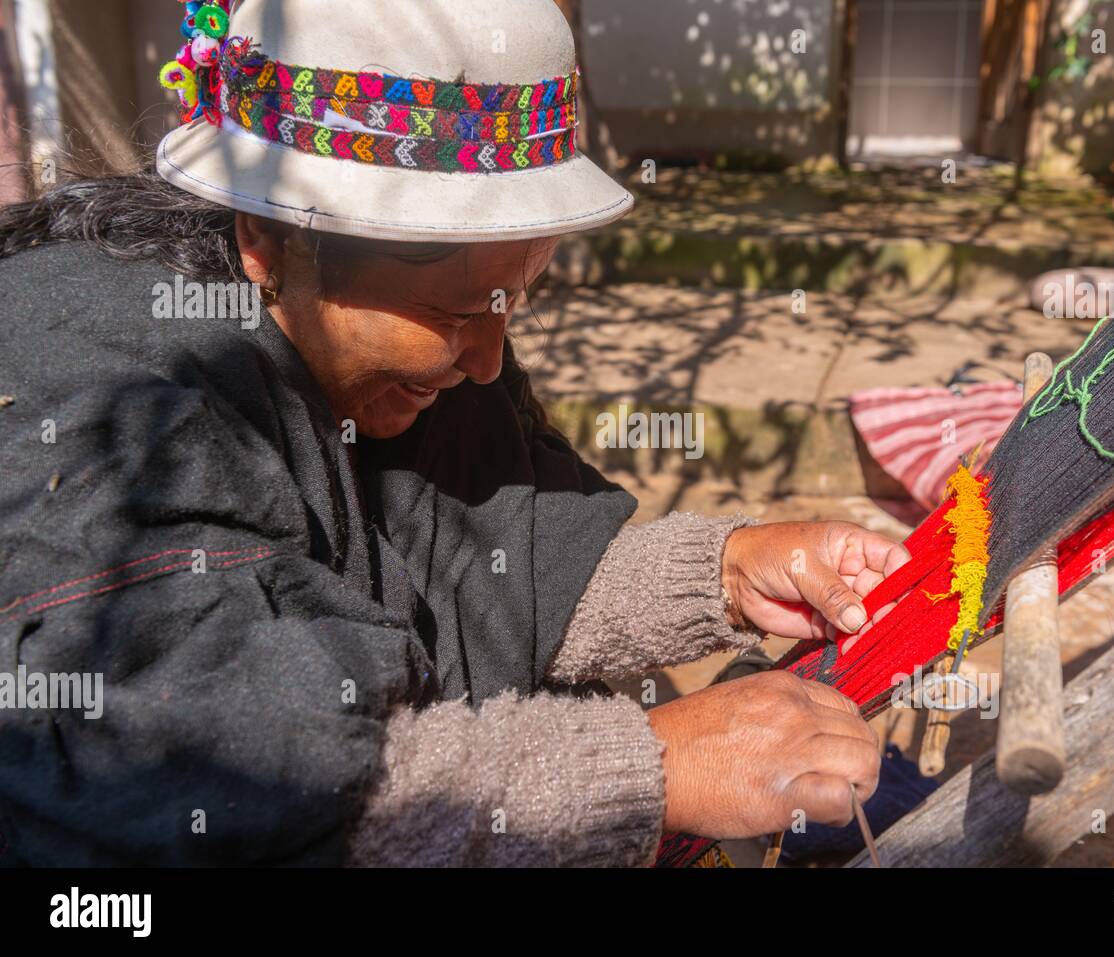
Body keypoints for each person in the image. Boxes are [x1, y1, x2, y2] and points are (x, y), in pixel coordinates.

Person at [0, 0, 906, 866]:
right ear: (267, 242)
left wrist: (728, 572)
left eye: (516, 298)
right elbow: (246, 787)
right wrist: (657, 764)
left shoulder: (398, 344)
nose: (486, 360)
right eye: (456, 310)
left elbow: (490, 565)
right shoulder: (103, 419)